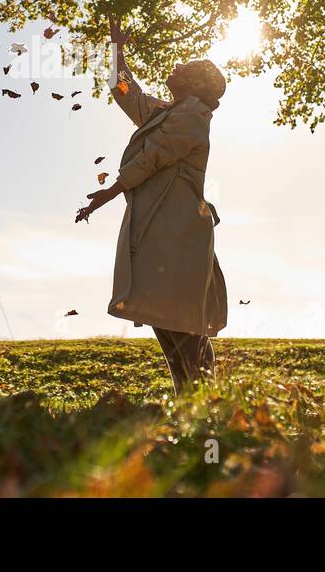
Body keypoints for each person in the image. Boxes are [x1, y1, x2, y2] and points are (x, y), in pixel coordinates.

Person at [76, 19, 228, 394]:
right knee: (168, 313)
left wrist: (114, 190)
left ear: (196, 85)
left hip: (178, 231)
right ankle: (195, 398)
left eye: (186, 69)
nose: (176, 67)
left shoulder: (193, 115)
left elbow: (156, 156)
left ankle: (199, 399)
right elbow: (126, 91)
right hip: (161, 226)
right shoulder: (165, 112)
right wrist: (117, 51)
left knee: (178, 316)